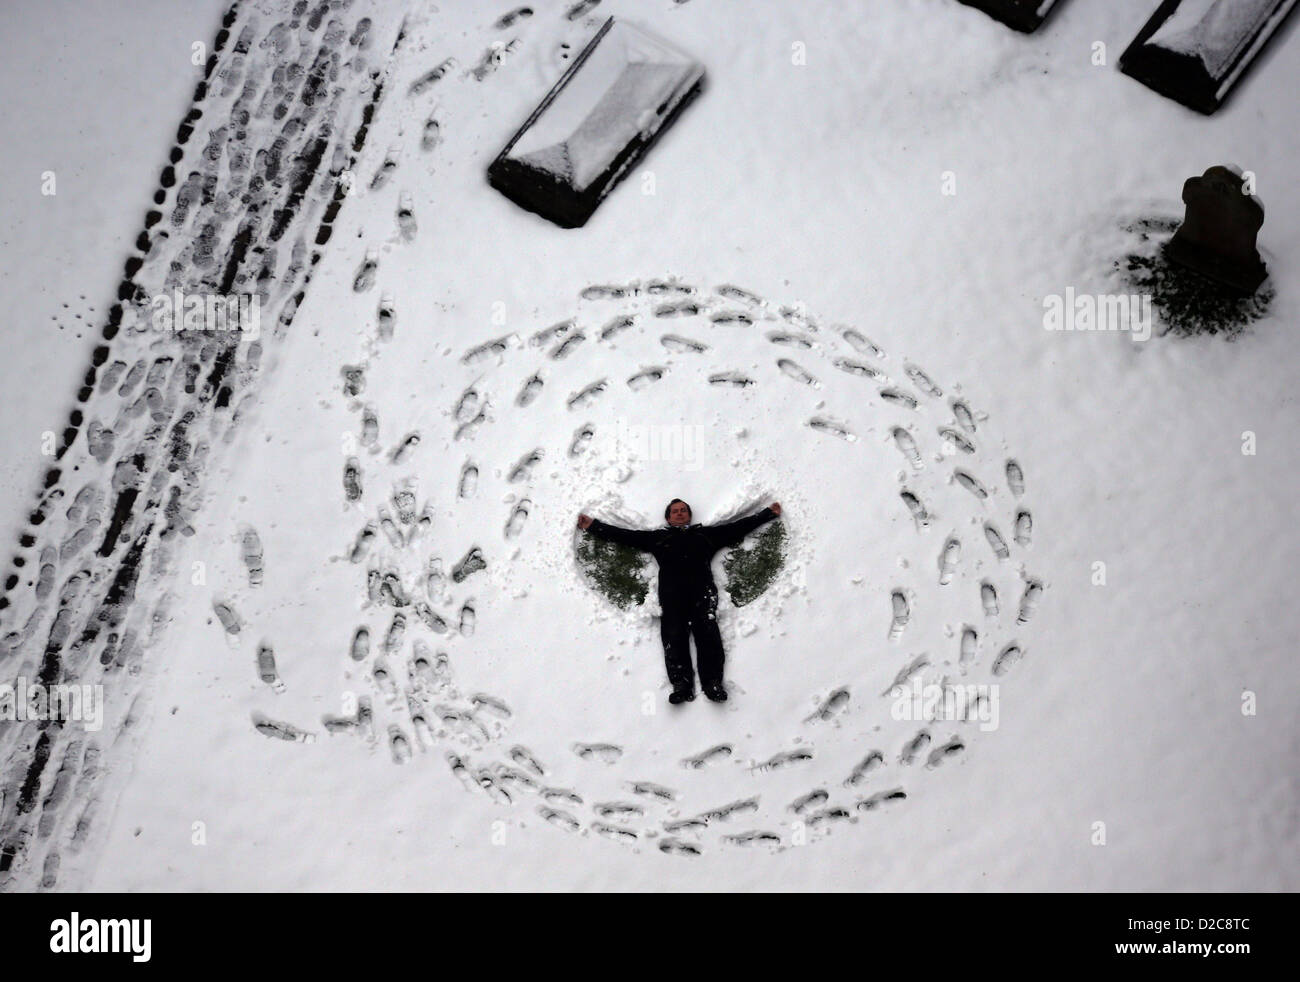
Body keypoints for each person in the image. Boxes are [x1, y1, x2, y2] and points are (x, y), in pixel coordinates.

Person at [577, 499, 782, 704]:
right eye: (675, 511)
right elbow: (625, 536)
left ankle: (712, 684)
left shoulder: (705, 535)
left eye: (683, 510)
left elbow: (738, 527)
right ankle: (681, 685)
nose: (680, 513)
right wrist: (593, 526)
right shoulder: (658, 538)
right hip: (672, 596)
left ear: (689, 515)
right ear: (668, 517)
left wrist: (767, 514)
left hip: (702, 594)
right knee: (674, 638)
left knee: (708, 638)